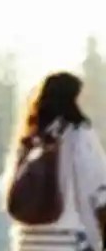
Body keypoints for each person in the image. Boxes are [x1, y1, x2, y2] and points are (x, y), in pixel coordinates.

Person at [8, 72, 106, 250]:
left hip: (25, 240)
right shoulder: (79, 134)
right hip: (66, 240)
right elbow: (99, 189)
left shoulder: (29, 138)